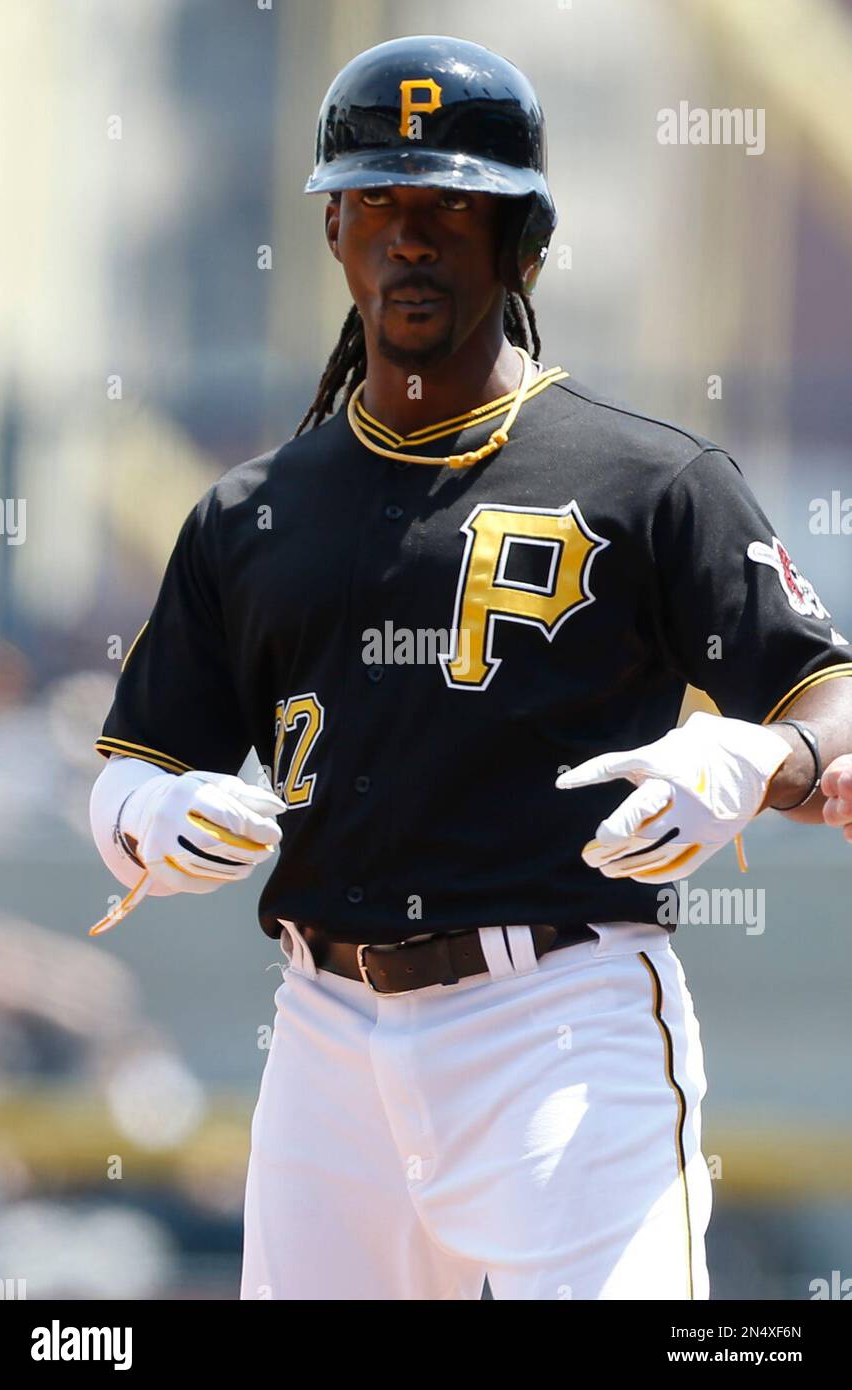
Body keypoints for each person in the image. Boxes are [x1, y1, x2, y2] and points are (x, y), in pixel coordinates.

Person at [89, 35, 852, 1300]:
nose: (411, 236)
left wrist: (760, 754)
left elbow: (833, 697)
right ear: (332, 228)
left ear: (524, 245)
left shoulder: (649, 481)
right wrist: (146, 813)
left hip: (561, 1021)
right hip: (323, 1036)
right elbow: (129, 767)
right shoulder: (252, 509)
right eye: (380, 200)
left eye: (452, 204)